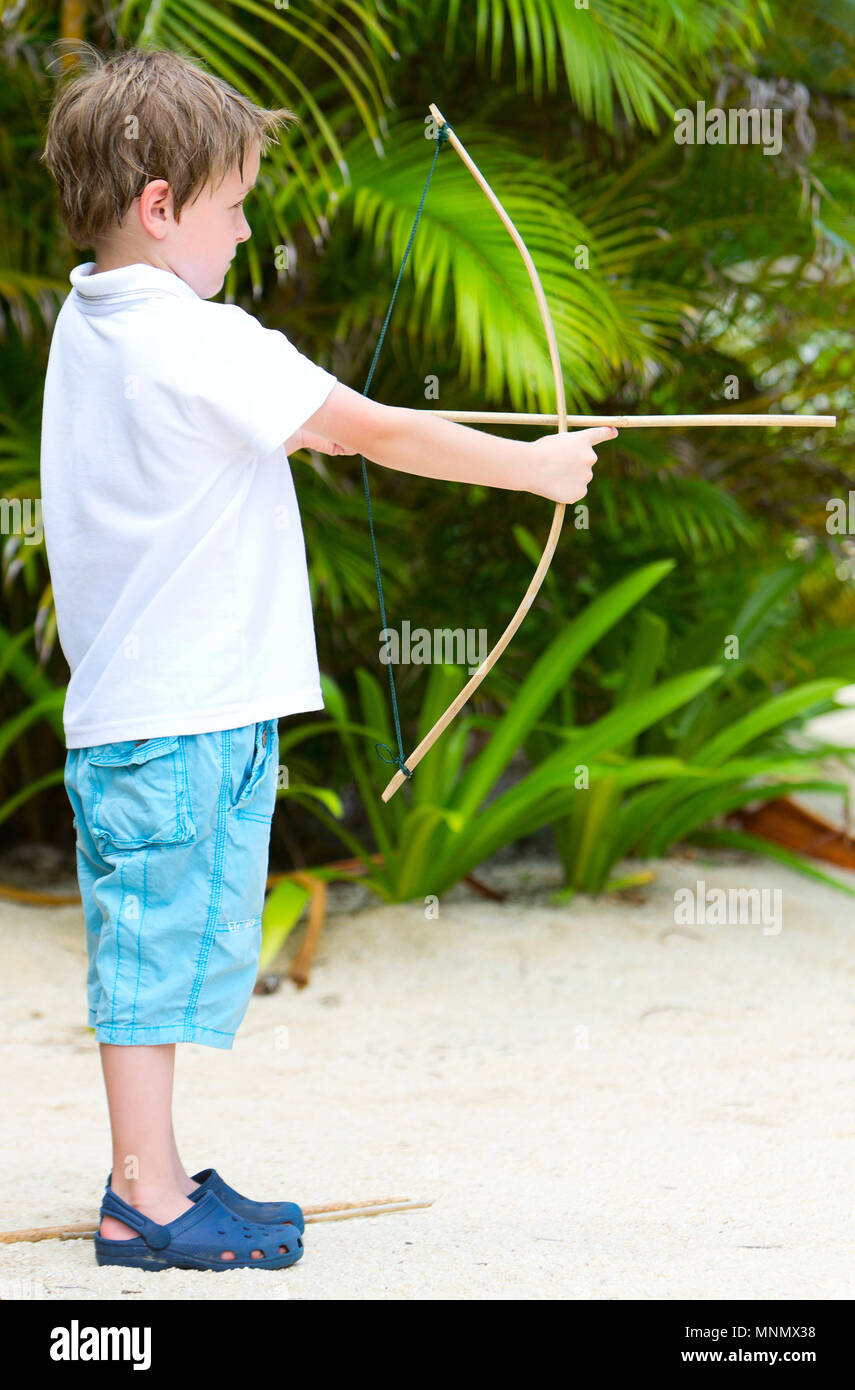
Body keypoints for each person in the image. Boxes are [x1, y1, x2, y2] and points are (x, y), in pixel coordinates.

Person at [39, 44, 616, 1273]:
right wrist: (533, 464)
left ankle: (160, 1168)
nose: (246, 232)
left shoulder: (93, 320)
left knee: (167, 942)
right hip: (172, 716)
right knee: (150, 954)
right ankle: (141, 1200)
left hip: (177, 709)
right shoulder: (195, 339)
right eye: (235, 205)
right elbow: (364, 430)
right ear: (160, 208)